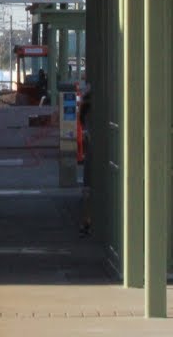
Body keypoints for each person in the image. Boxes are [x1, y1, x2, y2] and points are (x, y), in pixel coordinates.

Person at [76, 77, 93, 236]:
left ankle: (87, 220)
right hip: (94, 153)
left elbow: (82, 121)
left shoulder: (85, 108)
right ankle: (88, 220)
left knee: (88, 189)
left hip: (90, 154)